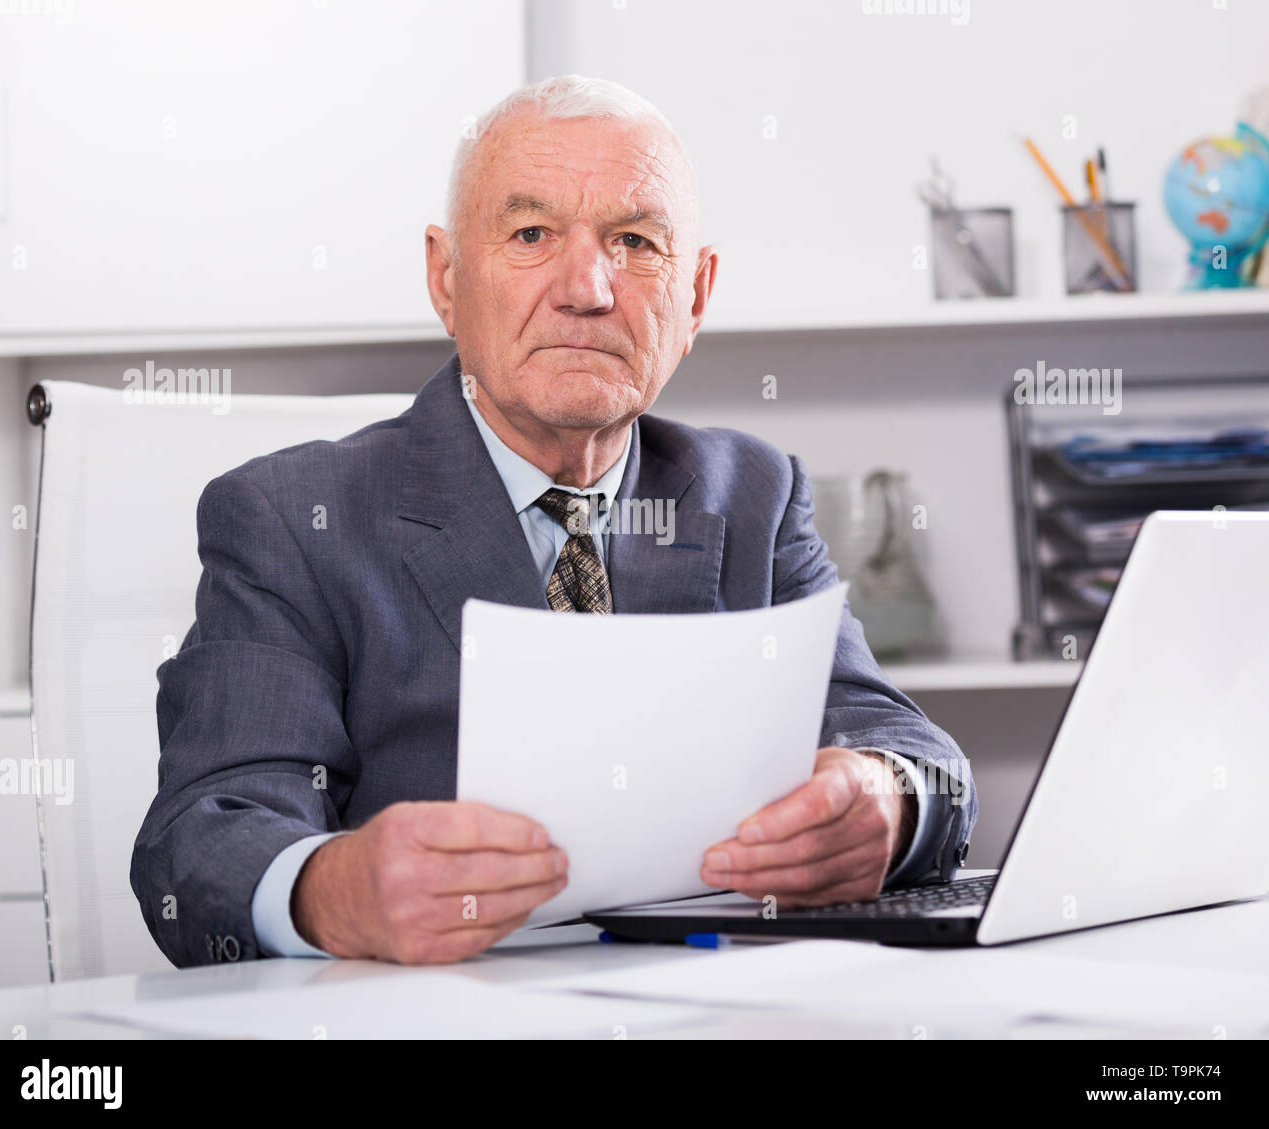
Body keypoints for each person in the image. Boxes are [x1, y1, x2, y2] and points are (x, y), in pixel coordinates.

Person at [131, 75, 975, 968]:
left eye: (636, 241)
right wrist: (330, 888)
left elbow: (903, 743)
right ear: (446, 277)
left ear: (696, 296)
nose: (587, 288)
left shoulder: (755, 495)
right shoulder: (293, 521)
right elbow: (201, 833)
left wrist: (889, 799)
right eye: (531, 234)